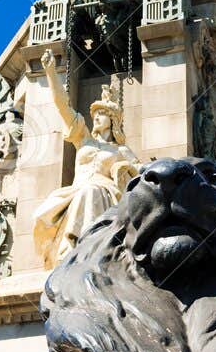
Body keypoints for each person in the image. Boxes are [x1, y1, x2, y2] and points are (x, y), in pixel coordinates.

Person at [32, 53, 140, 267]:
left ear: (113, 120)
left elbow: (141, 171)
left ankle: (79, 248)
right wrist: (51, 73)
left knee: (90, 192)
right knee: (45, 211)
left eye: (101, 113)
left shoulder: (120, 150)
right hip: (77, 190)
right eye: (95, 113)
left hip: (105, 192)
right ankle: (74, 249)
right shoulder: (83, 139)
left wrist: (125, 167)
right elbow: (63, 106)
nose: (96, 117)